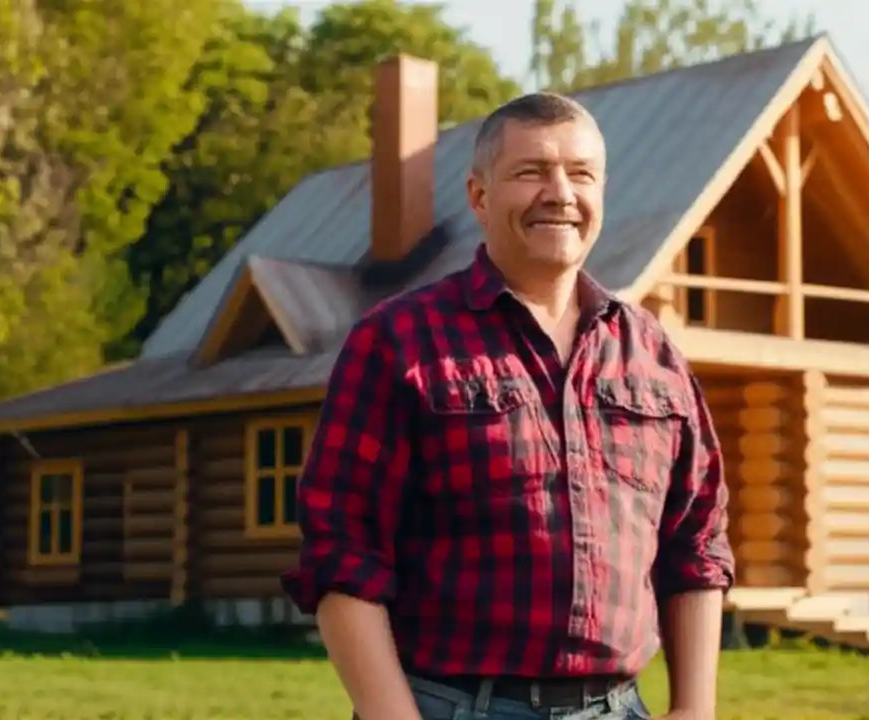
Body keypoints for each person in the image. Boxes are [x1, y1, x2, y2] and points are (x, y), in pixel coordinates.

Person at [281, 91, 735, 720]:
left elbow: (698, 541)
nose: (560, 193)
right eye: (530, 172)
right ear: (479, 196)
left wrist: (695, 708)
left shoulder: (652, 354)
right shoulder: (399, 342)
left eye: (581, 174)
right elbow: (341, 549)